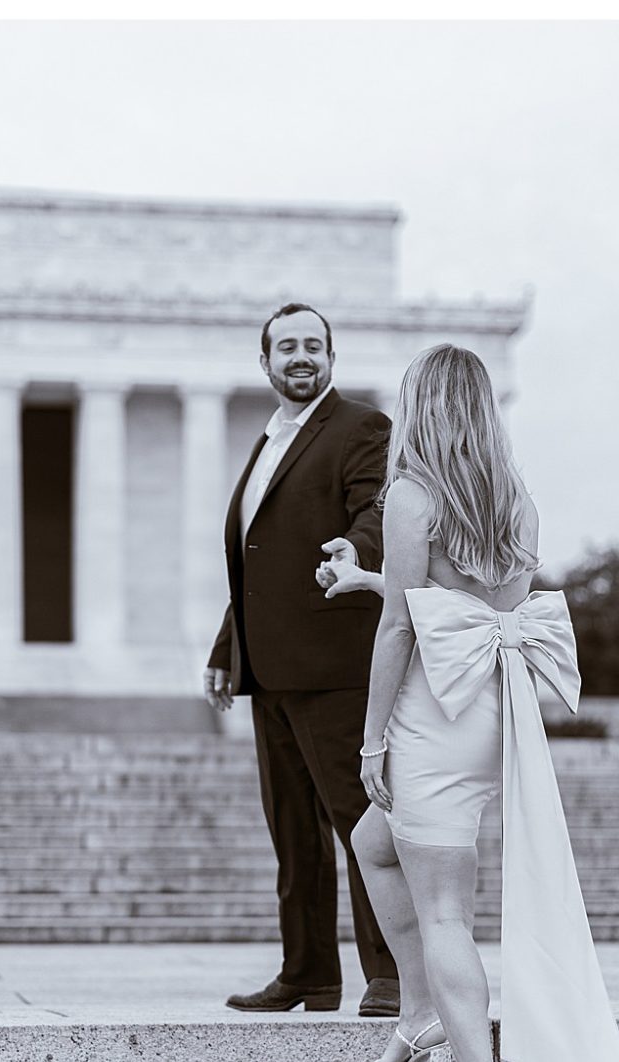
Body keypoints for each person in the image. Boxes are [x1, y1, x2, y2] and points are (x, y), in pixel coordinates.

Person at [328, 343, 619, 1062]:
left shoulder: (410, 494)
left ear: (422, 406)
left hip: (433, 710)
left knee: (444, 914)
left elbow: (402, 626)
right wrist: (373, 583)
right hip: (495, 707)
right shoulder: (515, 499)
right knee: (370, 843)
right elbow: (467, 598)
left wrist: (372, 738)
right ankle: (424, 1010)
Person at [207, 304, 401, 1017]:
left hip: (335, 659)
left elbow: (376, 509)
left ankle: (390, 975)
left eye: (313, 346)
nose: (300, 356)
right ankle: (308, 973)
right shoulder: (269, 441)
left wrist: (358, 550)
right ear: (264, 362)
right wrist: (229, 646)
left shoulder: (360, 427)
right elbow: (260, 564)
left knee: (360, 823)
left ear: (330, 358)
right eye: (286, 346)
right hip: (271, 668)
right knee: (294, 833)